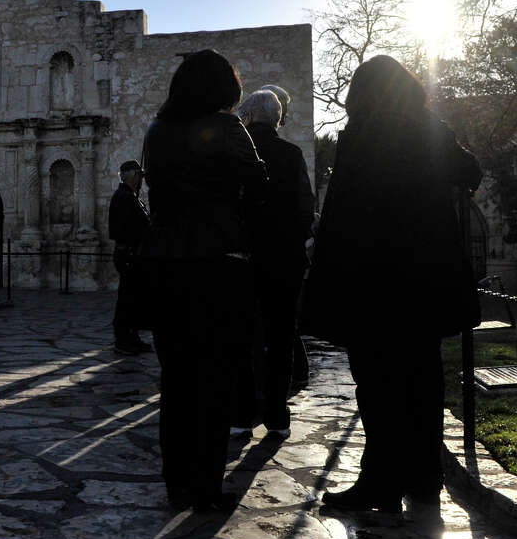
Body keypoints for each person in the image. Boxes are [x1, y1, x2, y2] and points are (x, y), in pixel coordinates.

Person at [300, 55, 481, 513]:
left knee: (379, 384)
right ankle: (423, 481)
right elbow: (470, 171)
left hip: (376, 282)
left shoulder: (366, 134)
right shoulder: (427, 127)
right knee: (422, 380)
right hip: (424, 282)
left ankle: (380, 482)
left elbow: (349, 213)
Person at [138, 48, 267, 512]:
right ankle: (205, 487)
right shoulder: (229, 128)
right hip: (218, 261)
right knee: (215, 377)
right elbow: (260, 186)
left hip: (166, 262)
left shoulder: (156, 131)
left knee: (176, 379)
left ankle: (176, 482)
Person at [233, 89, 316, 437]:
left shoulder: (236, 153)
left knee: (242, 337)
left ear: (249, 118)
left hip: (243, 260)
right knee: (281, 337)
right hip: (284, 260)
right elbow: (304, 207)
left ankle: (242, 412)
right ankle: (277, 415)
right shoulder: (291, 154)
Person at [109, 159, 152, 356]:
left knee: (134, 298)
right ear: (132, 176)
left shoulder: (130, 197)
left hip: (134, 253)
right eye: (139, 176)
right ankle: (122, 339)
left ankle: (133, 337)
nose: (141, 180)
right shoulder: (123, 198)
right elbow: (126, 228)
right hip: (129, 254)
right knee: (127, 298)